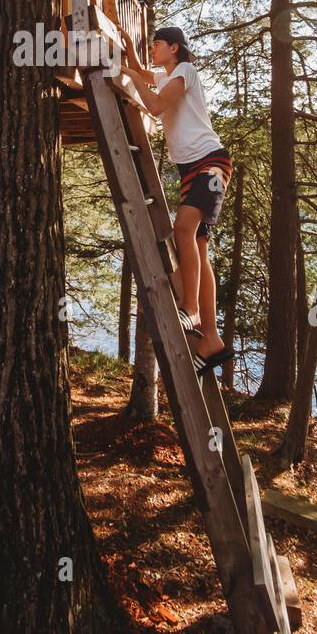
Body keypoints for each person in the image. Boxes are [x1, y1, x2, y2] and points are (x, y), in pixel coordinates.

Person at [121, 25, 235, 373]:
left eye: (157, 45)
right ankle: (211, 338)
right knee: (198, 246)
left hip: (212, 163)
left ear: (174, 48)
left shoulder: (185, 70)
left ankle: (191, 309)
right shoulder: (164, 74)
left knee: (183, 228)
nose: (153, 49)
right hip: (191, 169)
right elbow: (144, 73)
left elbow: (154, 105)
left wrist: (127, 75)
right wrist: (128, 48)